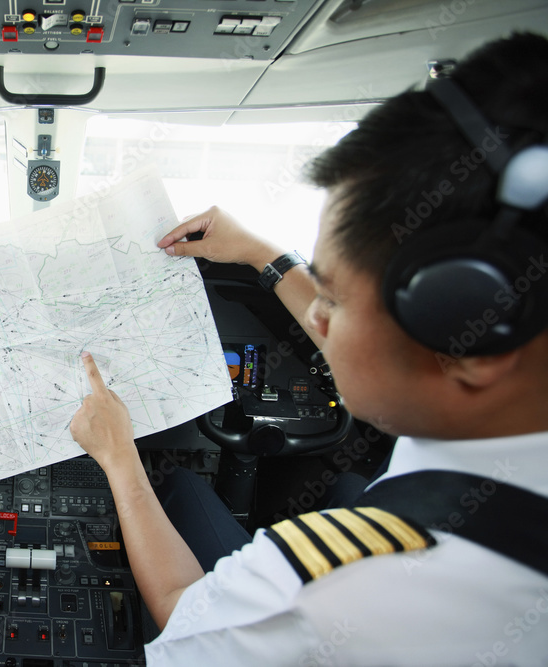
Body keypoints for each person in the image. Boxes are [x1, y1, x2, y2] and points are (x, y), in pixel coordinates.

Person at [70, 32, 548, 664]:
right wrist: (264, 256)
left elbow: (188, 613)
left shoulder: (332, 591)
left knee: (179, 485)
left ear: (473, 331)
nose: (315, 321)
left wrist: (122, 462)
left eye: (334, 299)